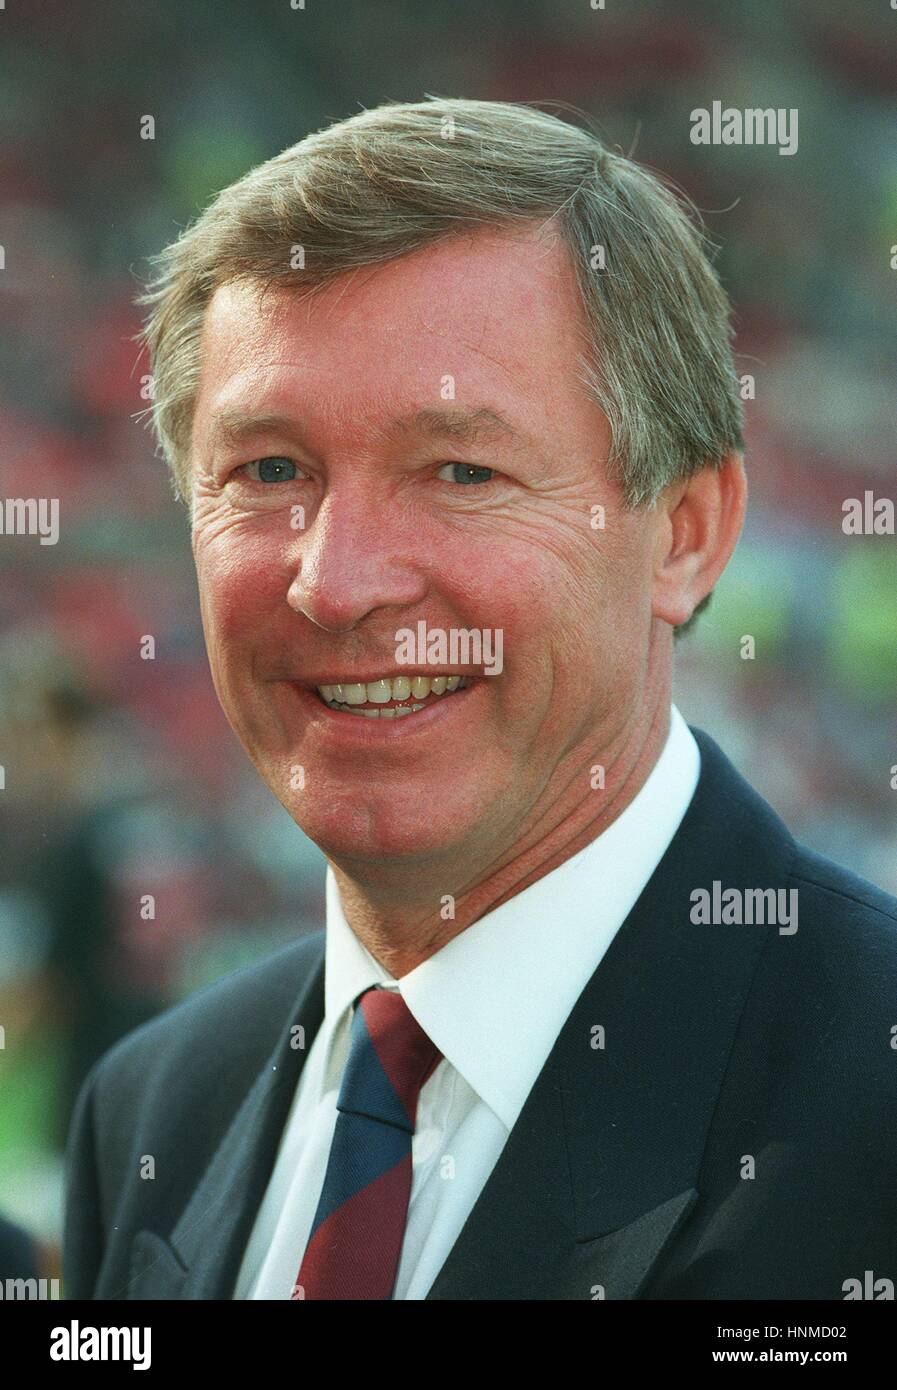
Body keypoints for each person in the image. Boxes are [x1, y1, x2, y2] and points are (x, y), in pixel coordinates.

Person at [63, 97, 897, 1301]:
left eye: (462, 469)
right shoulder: (152, 1111)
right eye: (270, 471)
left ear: (687, 533)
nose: (336, 581)